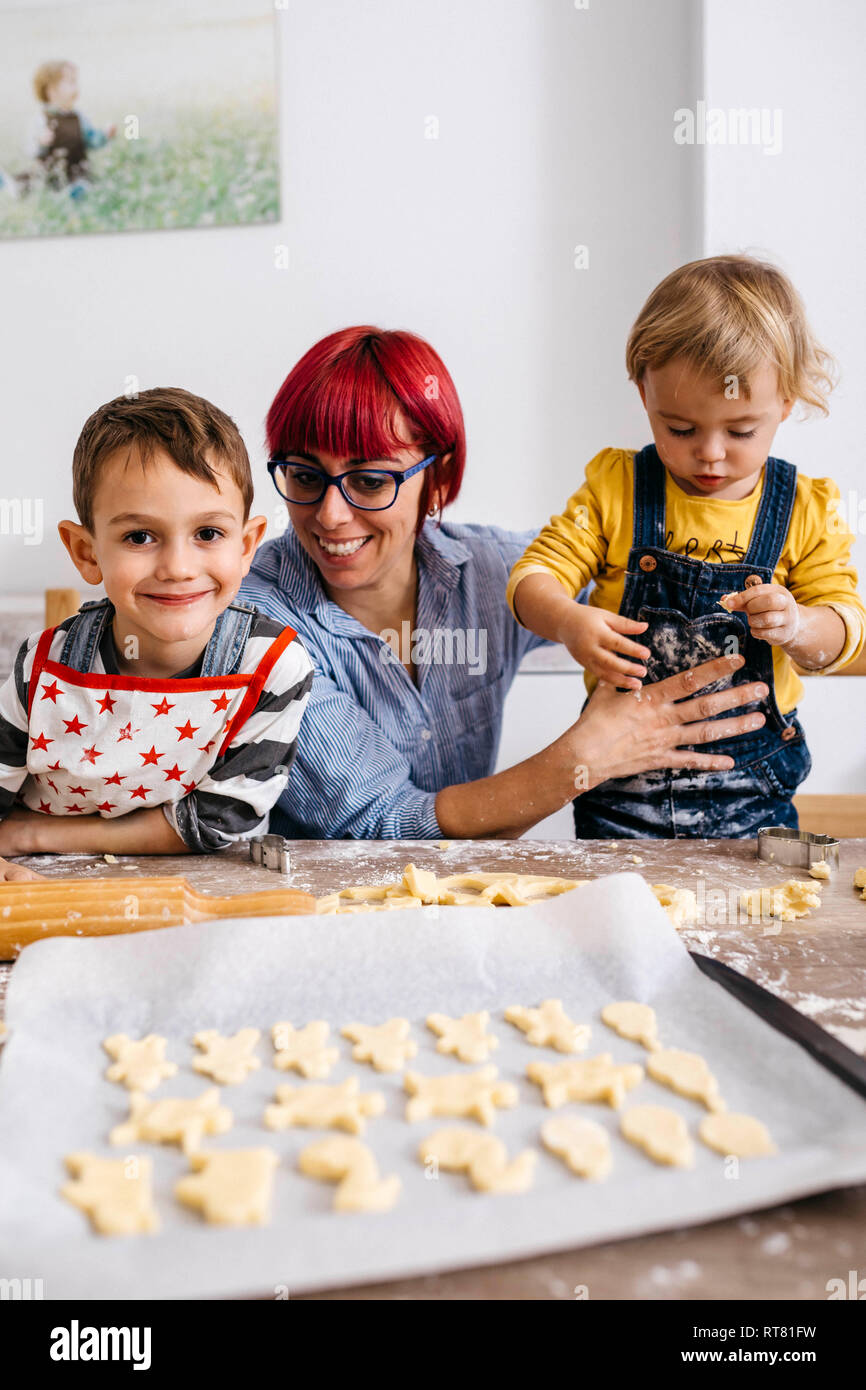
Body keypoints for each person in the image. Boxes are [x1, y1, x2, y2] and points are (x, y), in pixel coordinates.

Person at [240, 326, 772, 841]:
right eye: (306, 476)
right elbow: (385, 823)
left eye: (371, 481)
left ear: (440, 475)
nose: (331, 515)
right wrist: (585, 758)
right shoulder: (253, 623)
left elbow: (632, 590)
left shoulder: (494, 570)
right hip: (331, 916)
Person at [508, 254, 866, 838]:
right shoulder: (616, 487)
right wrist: (570, 620)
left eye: (741, 431)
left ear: (787, 404)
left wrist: (799, 625)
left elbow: (844, 629)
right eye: (680, 428)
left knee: (756, 925)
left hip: (754, 796)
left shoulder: (805, 507)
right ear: (642, 390)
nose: (710, 453)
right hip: (621, 791)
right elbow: (532, 580)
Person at [0, 388, 313, 882]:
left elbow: (219, 822)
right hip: (45, 888)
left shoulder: (272, 669)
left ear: (247, 544)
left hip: (207, 898)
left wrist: (31, 833)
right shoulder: (41, 672)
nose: (178, 569)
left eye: (208, 533)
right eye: (139, 537)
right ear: (87, 552)